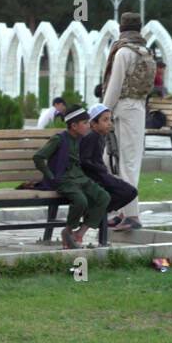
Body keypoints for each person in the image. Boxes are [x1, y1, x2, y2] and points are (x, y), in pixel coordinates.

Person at [102, 12, 155, 232]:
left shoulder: (123, 52)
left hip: (122, 109)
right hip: (137, 109)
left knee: (126, 164)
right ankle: (120, 211)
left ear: (121, 29)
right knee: (110, 161)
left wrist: (102, 111)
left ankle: (132, 215)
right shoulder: (145, 51)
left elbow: (114, 86)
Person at [33, 106, 110, 249]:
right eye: (85, 123)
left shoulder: (81, 139)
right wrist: (51, 176)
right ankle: (67, 232)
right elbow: (38, 157)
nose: (89, 126)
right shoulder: (59, 139)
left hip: (80, 178)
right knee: (81, 201)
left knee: (103, 197)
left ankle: (79, 233)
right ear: (74, 126)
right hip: (64, 180)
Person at [80, 104, 138, 223]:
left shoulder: (100, 136)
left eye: (110, 119)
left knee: (129, 191)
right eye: (105, 120)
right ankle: (95, 213)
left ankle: (96, 212)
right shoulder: (92, 136)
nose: (110, 123)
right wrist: (102, 170)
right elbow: (84, 160)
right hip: (93, 178)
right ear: (93, 124)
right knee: (129, 191)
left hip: (100, 175)